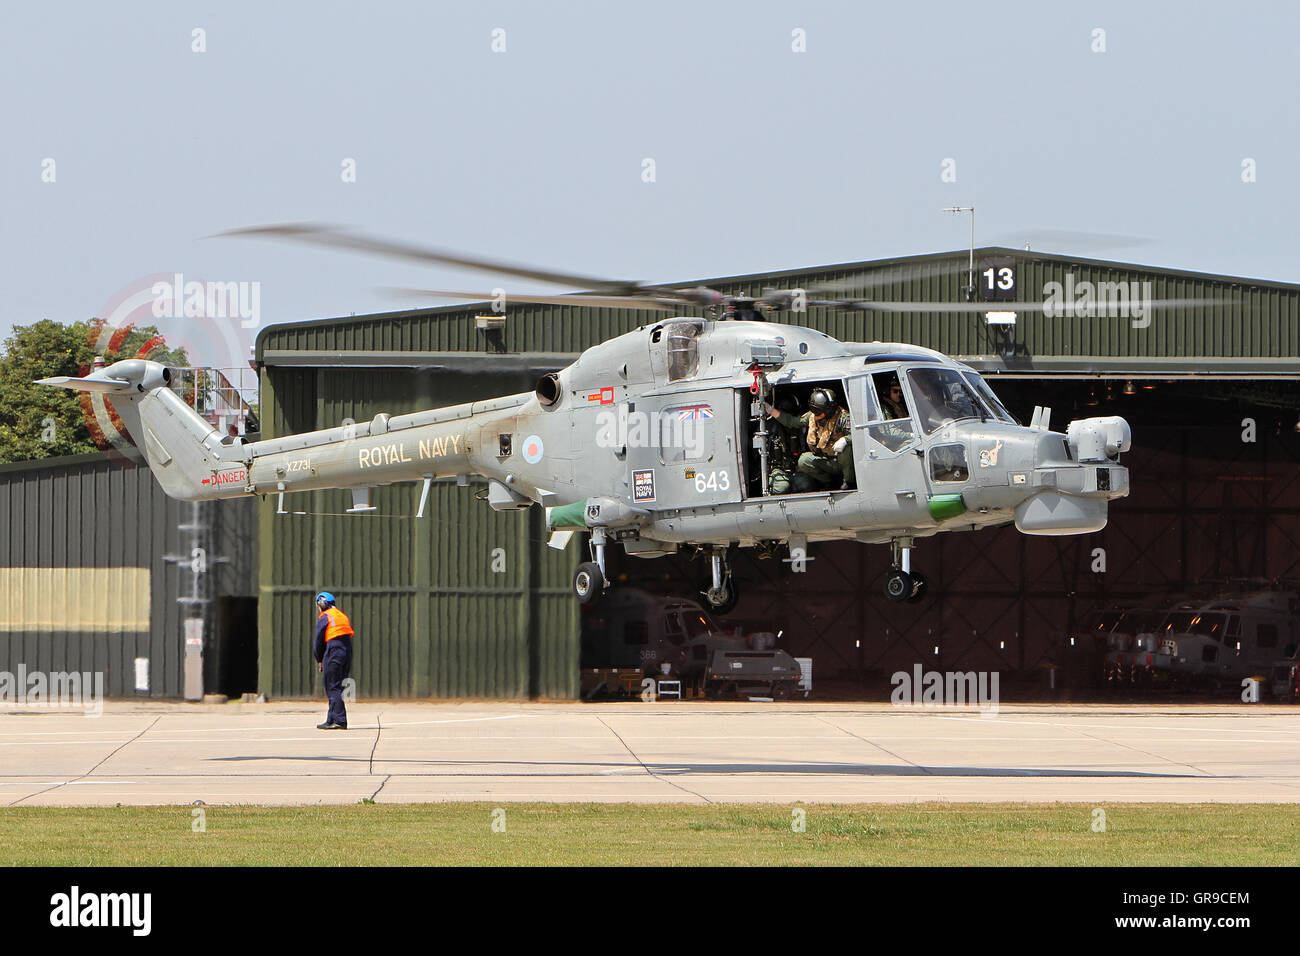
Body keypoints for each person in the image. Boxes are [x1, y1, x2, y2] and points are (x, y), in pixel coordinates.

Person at [767, 388, 855, 490]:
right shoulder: (812, 416)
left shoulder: (843, 418)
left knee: (846, 449)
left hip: (842, 462)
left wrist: (845, 440)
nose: (815, 414)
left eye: (818, 411)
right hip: (826, 460)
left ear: (828, 410)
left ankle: (849, 482)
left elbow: (859, 433)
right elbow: (792, 422)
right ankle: (829, 482)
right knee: (804, 460)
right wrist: (770, 410)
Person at [313, 592, 353, 729]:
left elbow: (318, 641)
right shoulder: (342, 616)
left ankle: (340, 720)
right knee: (337, 686)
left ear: (322, 604)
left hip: (334, 651)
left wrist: (319, 659)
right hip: (346, 651)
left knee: (332, 686)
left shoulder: (326, 617)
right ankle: (331, 718)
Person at [766, 395, 815, 494]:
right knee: (782, 487)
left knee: (806, 484)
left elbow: (793, 421)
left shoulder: (802, 426)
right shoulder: (770, 427)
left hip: (796, 467)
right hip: (778, 468)